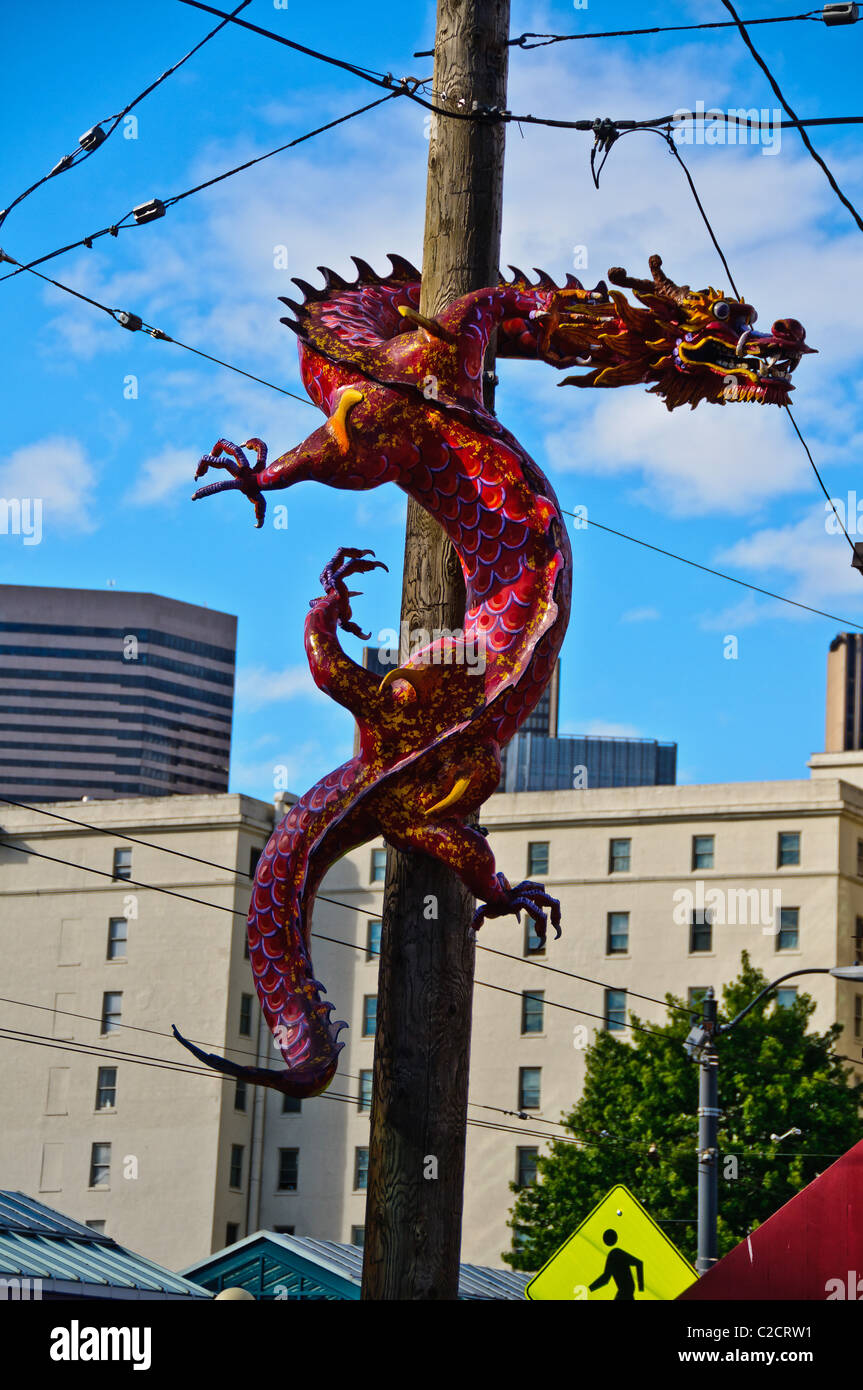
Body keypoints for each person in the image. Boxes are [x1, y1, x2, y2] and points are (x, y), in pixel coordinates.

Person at [588, 1228, 644, 1301]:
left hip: (625, 1291)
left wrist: (641, 1287)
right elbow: (606, 1278)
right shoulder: (614, 1254)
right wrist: (590, 1288)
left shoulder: (615, 1253)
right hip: (625, 1291)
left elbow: (639, 1263)